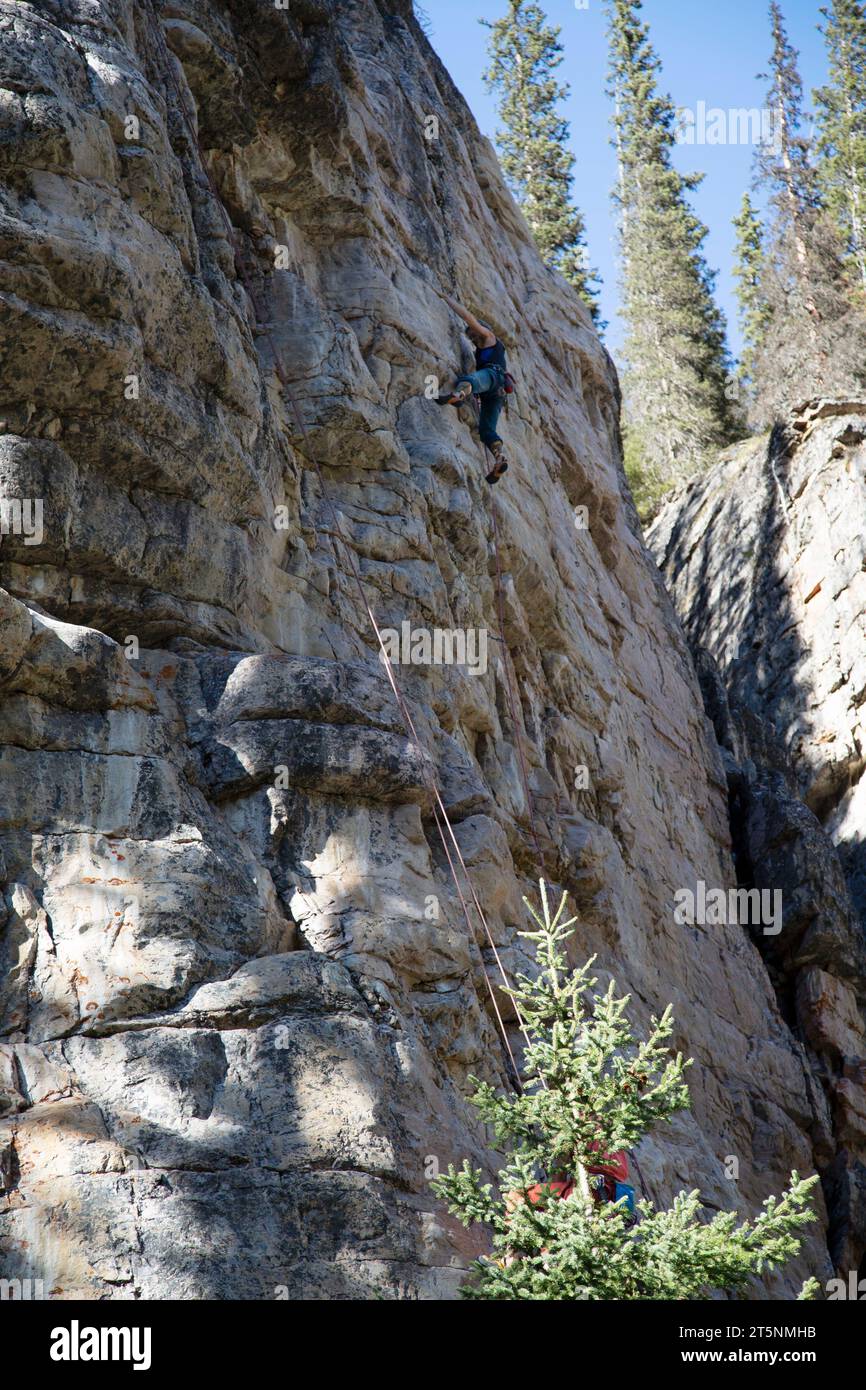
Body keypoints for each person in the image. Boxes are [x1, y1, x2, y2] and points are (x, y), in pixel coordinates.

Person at [436, 293, 509, 483]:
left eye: (473, 334)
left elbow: (468, 317)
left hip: (493, 377)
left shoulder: (489, 336)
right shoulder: (484, 349)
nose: (473, 338)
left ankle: (457, 396)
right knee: (486, 431)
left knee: (470, 380)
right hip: (497, 393)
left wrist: (446, 299)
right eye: (471, 337)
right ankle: (499, 459)